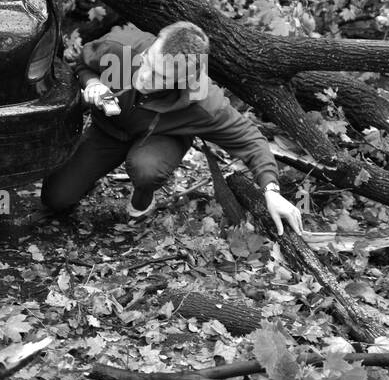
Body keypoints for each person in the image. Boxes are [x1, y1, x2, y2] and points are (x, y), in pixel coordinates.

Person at [41, 21, 304, 233]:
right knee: (56, 199)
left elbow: (251, 141)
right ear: (154, 45)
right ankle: (87, 175)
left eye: (161, 77)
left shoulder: (202, 101)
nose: (145, 78)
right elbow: (80, 65)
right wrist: (93, 84)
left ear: (186, 79)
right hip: (108, 131)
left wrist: (271, 190)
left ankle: (142, 201)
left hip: (162, 137)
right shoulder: (120, 47)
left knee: (146, 169)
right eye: (148, 63)